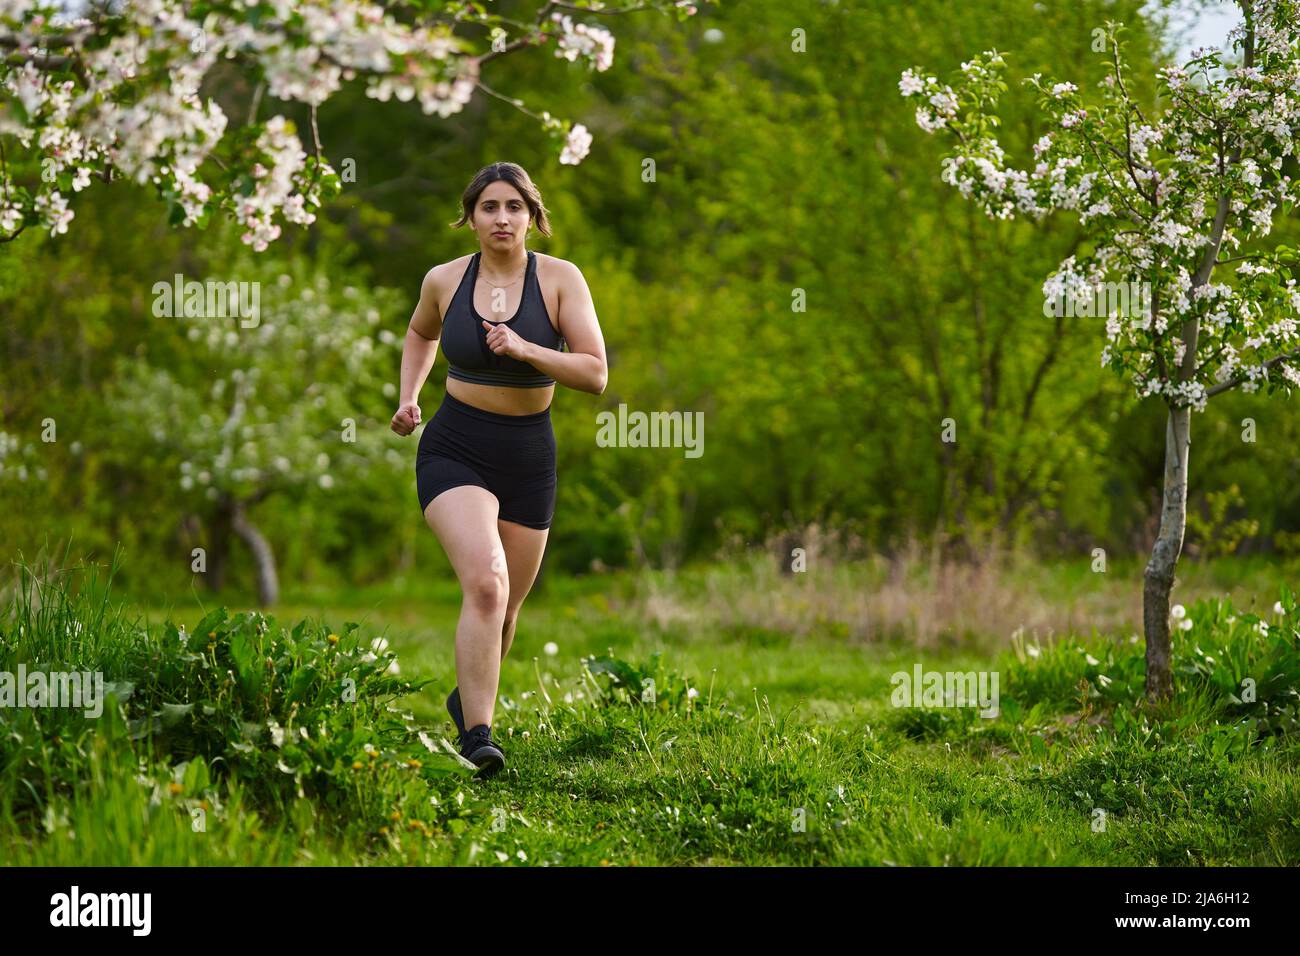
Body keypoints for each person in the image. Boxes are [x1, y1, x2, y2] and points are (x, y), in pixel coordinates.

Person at [390, 162, 608, 778]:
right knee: (487, 585)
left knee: (508, 609)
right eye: (489, 207)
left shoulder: (561, 280)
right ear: (472, 216)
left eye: (514, 207)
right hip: (455, 445)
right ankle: (479, 739)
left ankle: (468, 699)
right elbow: (419, 333)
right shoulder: (444, 279)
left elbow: (594, 373)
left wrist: (524, 348)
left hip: (529, 454)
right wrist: (410, 396)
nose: (502, 218)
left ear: (532, 217)